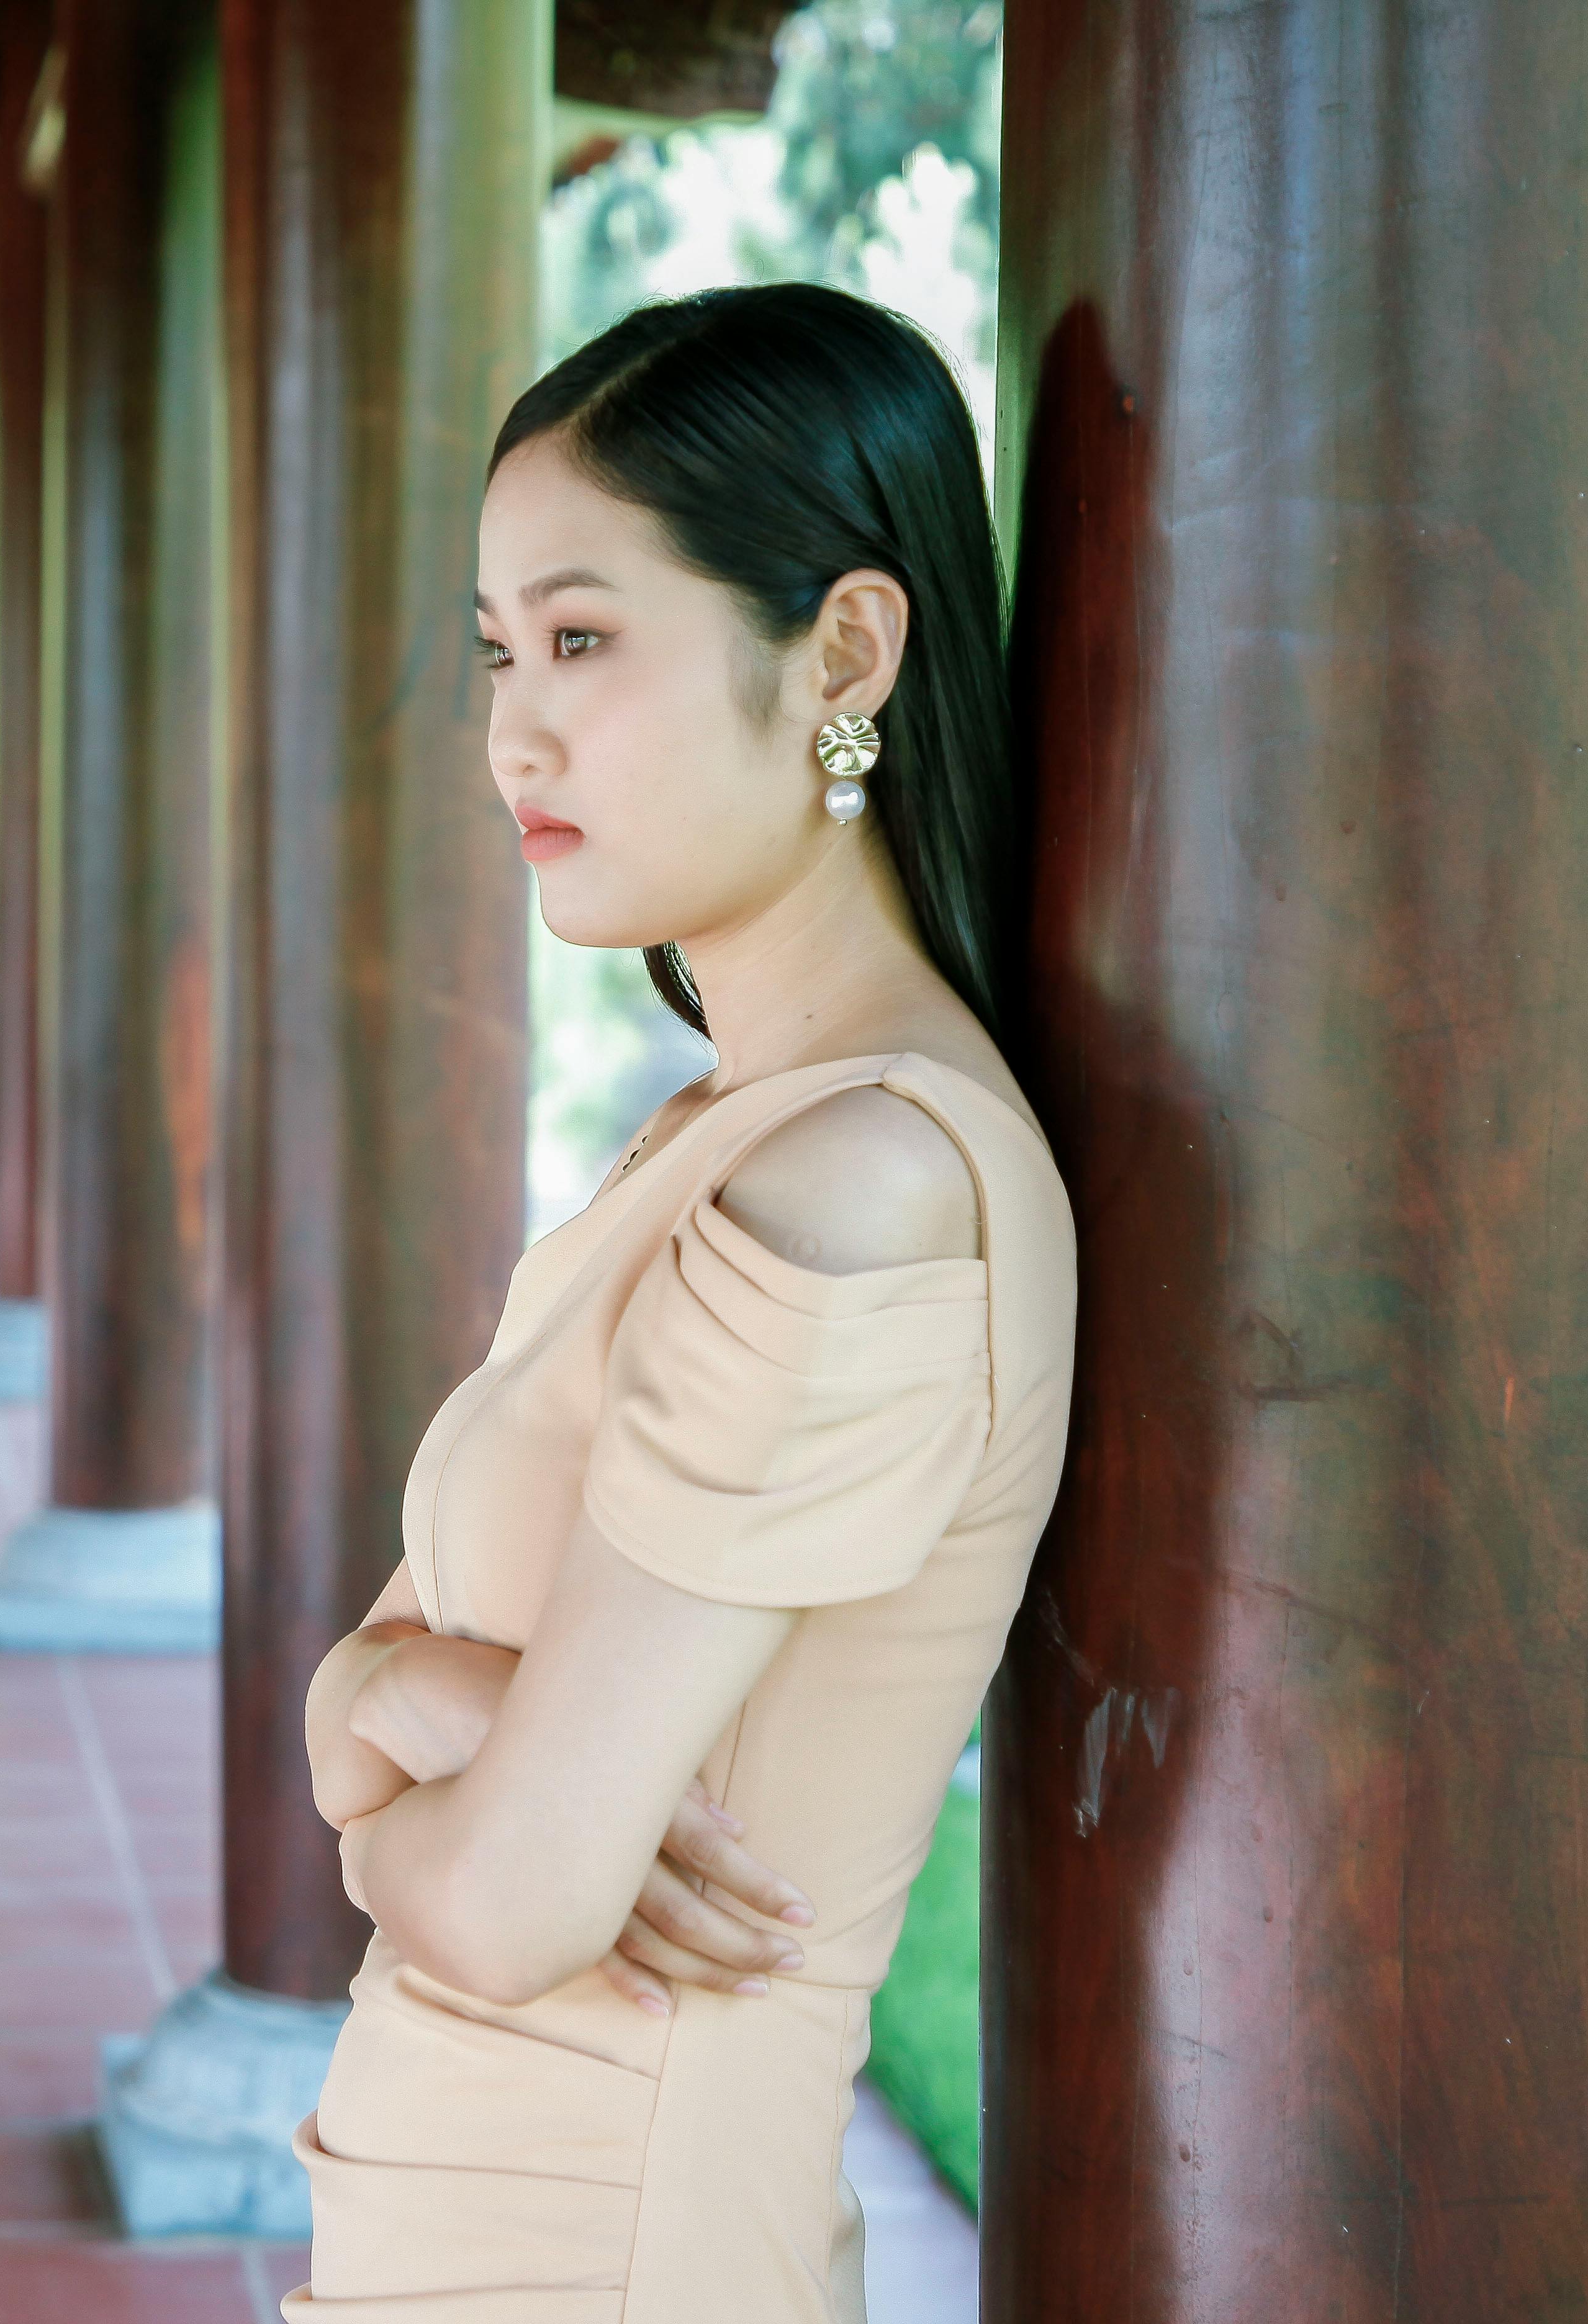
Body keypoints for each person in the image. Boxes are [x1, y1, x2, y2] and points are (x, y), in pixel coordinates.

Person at [282, 282, 1078, 2322]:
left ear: (845, 651)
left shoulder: (864, 1189)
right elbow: (385, 1713)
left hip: (599, 2257)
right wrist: (398, 1710)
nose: (510, 731)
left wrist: (386, 1764)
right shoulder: (728, 1140)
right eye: (497, 652)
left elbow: (504, 1905)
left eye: (580, 640)